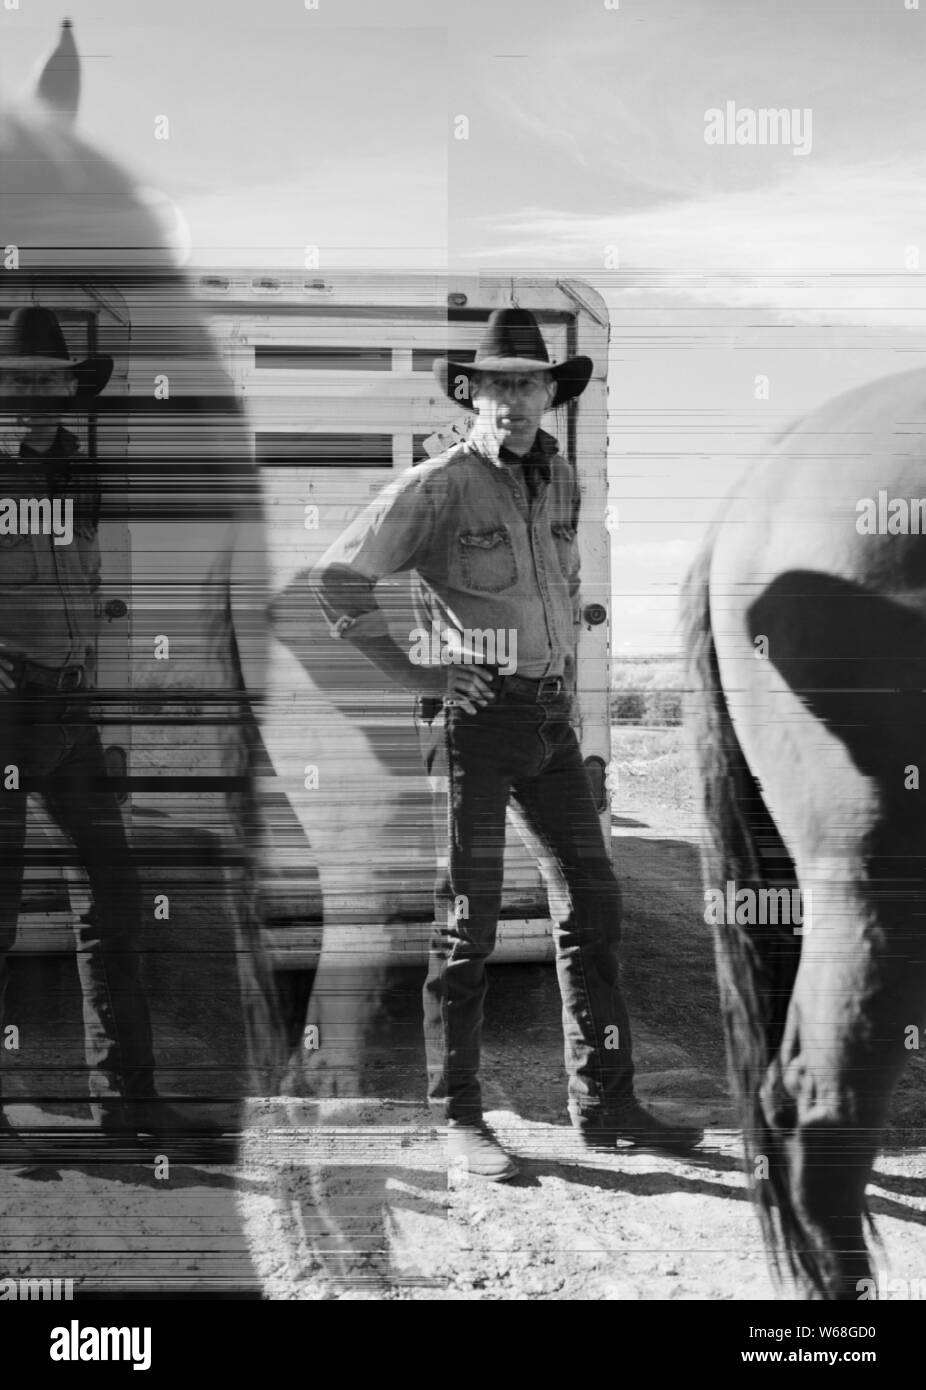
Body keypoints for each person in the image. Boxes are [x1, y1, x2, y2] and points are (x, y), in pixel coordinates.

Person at [309, 307, 703, 1178]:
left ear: (547, 396)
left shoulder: (559, 481)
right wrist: (420, 675)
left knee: (594, 907)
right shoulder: (441, 484)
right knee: (467, 925)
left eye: (531, 384)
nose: (517, 400)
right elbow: (336, 581)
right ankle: (458, 1118)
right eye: (500, 384)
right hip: (475, 727)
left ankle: (606, 1104)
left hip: (550, 726)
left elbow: (558, 588)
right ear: (472, 393)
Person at [0, 305, 220, 1166]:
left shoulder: (80, 475)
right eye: (15, 384)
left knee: (115, 903)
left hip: (72, 714)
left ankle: (127, 1105)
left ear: (68, 390)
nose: (32, 398)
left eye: (48, 382)